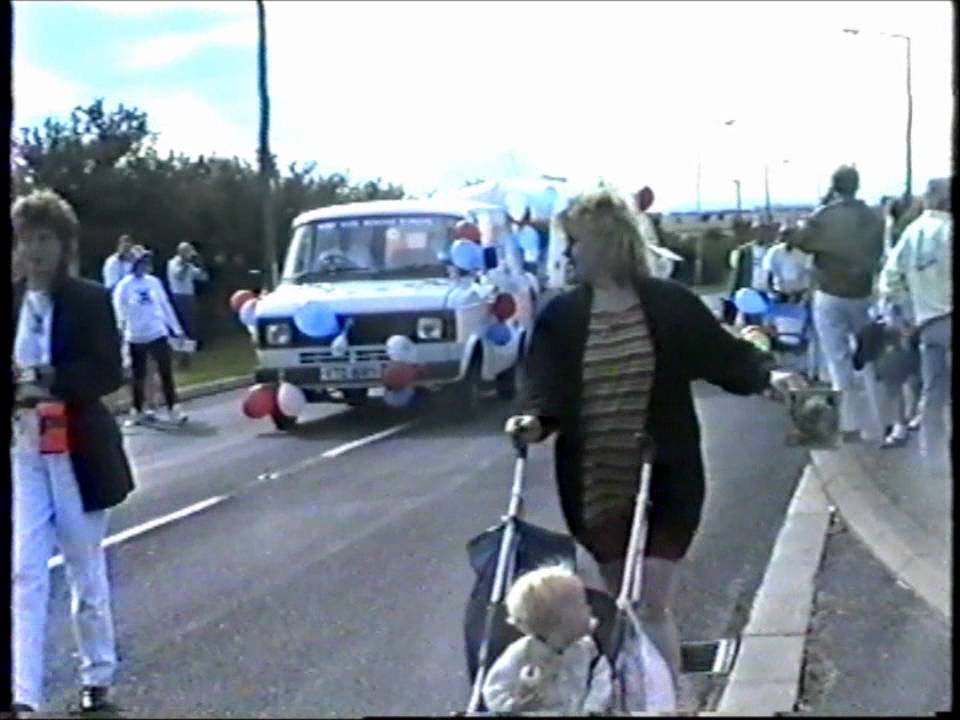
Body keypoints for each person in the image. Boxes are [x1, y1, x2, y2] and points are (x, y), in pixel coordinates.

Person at [505, 190, 789, 688]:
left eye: (575, 242)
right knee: (622, 604)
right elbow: (543, 385)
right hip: (595, 482)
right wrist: (531, 421)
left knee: (647, 602)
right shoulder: (562, 316)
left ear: (602, 243)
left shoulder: (667, 304)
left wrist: (770, 376)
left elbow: (724, 356)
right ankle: (634, 695)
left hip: (667, 475)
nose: (567, 253)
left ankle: (665, 701)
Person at [11, 190, 134, 715]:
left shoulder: (88, 300)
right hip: (25, 450)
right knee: (26, 570)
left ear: (65, 247)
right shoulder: (12, 301)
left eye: (45, 239)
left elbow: (108, 370)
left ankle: (97, 676)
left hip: (78, 450)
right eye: (26, 240)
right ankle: (24, 695)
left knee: (85, 568)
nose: (34, 251)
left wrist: (53, 382)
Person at [791, 165, 886, 444]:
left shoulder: (823, 215)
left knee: (838, 360)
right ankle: (877, 424)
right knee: (868, 358)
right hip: (863, 293)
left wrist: (822, 203)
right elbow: (877, 253)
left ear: (834, 185)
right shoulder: (872, 217)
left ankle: (847, 425)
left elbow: (802, 242)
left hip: (830, 292)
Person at [879, 177, 952, 470]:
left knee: (933, 393)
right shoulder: (949, 231)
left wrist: (906, 316)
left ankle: (932, 459)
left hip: (926, 325)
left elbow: (890, 281)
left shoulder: (912, 232)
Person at [481, 564, 612, 714]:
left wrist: (593, 707)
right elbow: (494, 689)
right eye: (582, 605)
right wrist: (513, 705)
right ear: (561, 621)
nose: (590, 609)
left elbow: (600, 678)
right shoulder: (523, 653)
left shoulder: (588, 649)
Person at [114, 246, 188, 426]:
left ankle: (173, 408)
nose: (144, 265)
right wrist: (121, 332)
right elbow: (119, 311)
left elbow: (165, 305)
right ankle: (138, 410)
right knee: (138, 376)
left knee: (165, 373)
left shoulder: (154, 282)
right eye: (141, 262)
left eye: (146, 262)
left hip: (157, 332)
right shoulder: (124, 286)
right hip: (135, 336)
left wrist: (176, 329)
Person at [166, 241, 208, 368]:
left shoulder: (189, 265)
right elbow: (179, 276)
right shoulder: (173, 263)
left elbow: (203, 277)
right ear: (181, 252)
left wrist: (200, 266)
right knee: (180, 327)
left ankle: (188, 357)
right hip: (178, 297)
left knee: (191, 327)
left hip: (189, 297)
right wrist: (186, 263)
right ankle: (179, 358)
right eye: (187, 252)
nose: (190, 255)